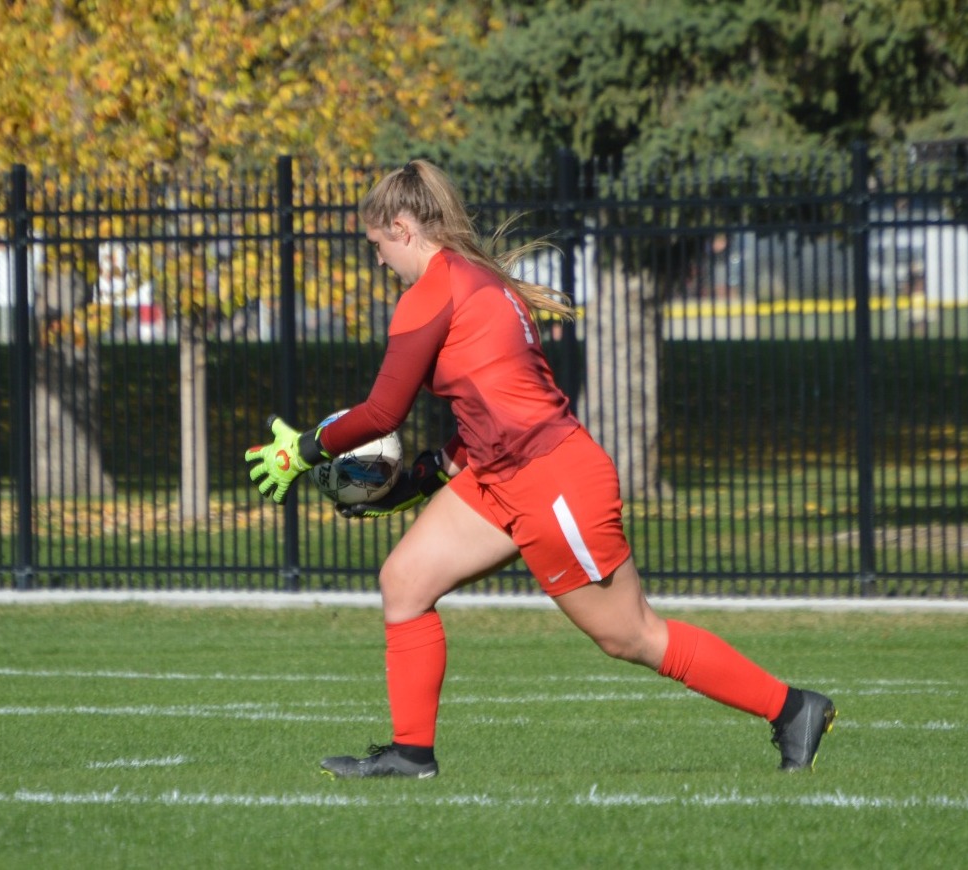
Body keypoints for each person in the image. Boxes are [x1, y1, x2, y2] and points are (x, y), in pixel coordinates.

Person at [245, 159, 835, 779]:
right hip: (503, 476)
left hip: (551, 481)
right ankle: (410, 754)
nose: (379, 261)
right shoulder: (474, 279)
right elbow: (491, 411)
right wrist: (421, 479)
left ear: (402, 228)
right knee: (405, 582)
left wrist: (304, 448)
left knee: (630, 635)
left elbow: (383, 410)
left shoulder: (433, 291)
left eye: (377, 245)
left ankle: (791, 708)